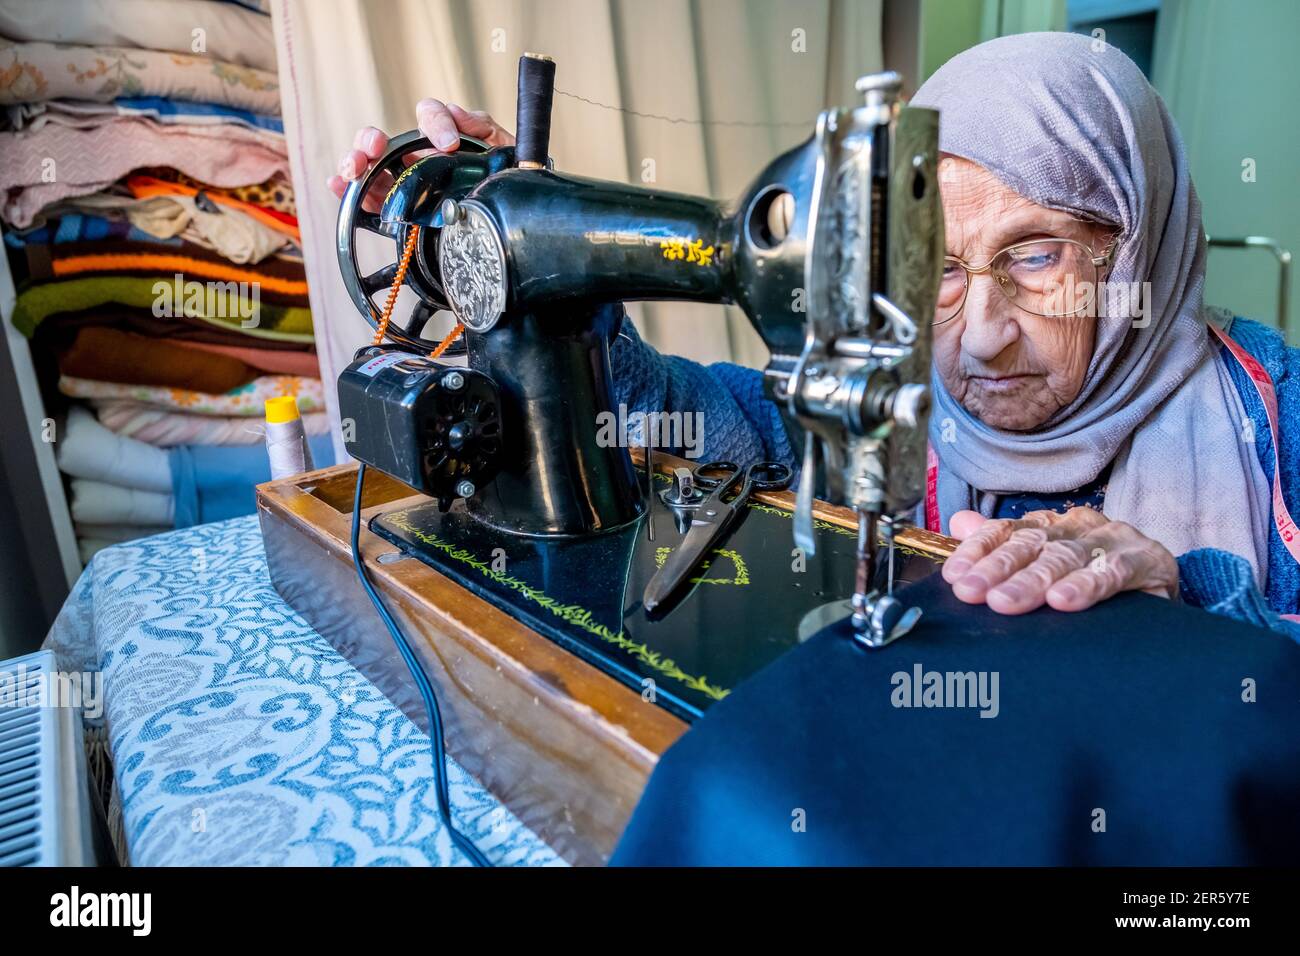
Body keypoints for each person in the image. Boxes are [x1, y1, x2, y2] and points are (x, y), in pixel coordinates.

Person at [329, 33, 1299, 637]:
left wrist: (1198, 595)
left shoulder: (1275, 414)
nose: (985, 337)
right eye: (942, 270)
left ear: (1141, 243)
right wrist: (519, 247)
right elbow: (665, 420)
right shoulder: (885, 389)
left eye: (1037, 254)